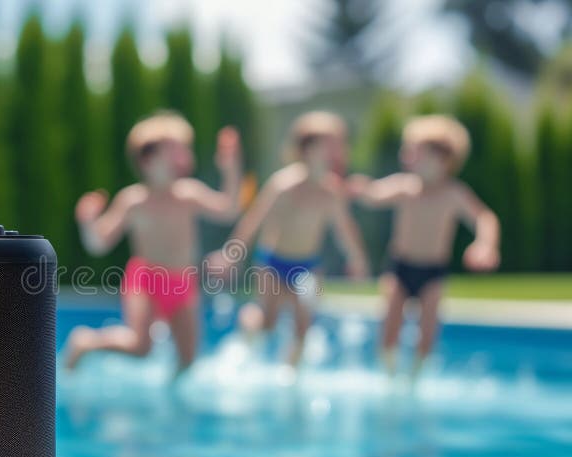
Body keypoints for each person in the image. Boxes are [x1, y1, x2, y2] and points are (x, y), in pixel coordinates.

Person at [65, 111, 243, 373]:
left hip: (182, 282)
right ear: (147, 159)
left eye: (183, 149)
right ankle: (86, 342)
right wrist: (88, 223)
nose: (183, 156)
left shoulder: (188, 194)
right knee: (140, 346)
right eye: (174, 150)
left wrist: (231, 170)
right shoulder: (134, 200)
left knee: (187, 360)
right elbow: (99, 243)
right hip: (145, 280)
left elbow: (229, 209)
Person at [208, 111, 368, 367]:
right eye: (328, 145)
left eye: (337, 145)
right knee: (268, 323)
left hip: (308, 266)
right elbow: (254, 221)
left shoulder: (331, 191)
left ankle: (290, 373)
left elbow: (345, 229)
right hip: (273, 263)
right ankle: (249, 322)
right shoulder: (283, 185)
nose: (335, 151)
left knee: (304, 325)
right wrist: (230, 254)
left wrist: (356, 257)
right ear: (305, 148)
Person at [347, 115, 500, 379]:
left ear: (443, 159)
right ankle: (390, 374)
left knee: (427, 336)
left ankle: (415, 378)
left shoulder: (453, 193)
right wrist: (358, 189)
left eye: (416, 152)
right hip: (400, 267)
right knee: (390, 328)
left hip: (433, 272)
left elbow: (485, 218)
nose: (407, 156)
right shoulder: (405, 187)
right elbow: (374, 195)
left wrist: (485, 244)